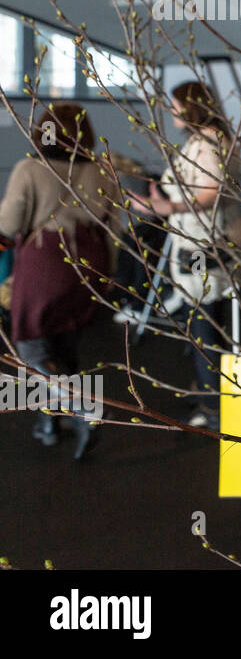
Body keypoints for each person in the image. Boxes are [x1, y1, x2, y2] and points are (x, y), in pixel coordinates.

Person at [0, 103, 121, 457]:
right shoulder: (103, 173)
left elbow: (7, 227)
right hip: (90, 268)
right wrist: (107, 275)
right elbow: (113, 229)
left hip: (46, 265)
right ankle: (50, 423)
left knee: (33, 348)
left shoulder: (30, 169)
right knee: (64, 351)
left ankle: (85, 411)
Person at [130, 81, 241, 428]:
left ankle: (213, 410)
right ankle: (210, 395)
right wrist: (159, 199)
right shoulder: (205, 141)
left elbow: (210, 192)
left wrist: (169, 206)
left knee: (204, 327)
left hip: (205, 245)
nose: (171, 111)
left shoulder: (210, 142)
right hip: (207, 242)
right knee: (209, 323)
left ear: (191, 106)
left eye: (175, 105)